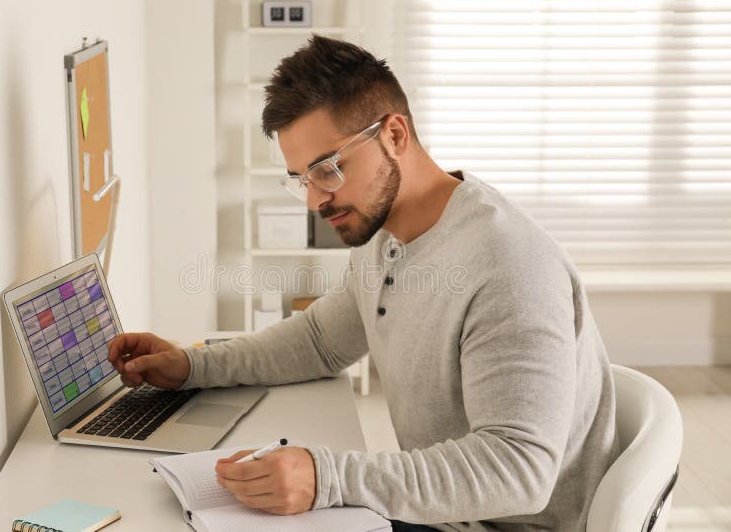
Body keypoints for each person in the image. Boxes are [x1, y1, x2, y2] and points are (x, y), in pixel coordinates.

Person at [108, 35, 620, 531]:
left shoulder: (509, 266)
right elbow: (319, 341)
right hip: (443, 515)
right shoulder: (387, 234)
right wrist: (192, 364)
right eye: (301, 180)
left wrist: (326, 476)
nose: (314, 200)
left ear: (394, 135)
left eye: (328, 169)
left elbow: (519, 472)